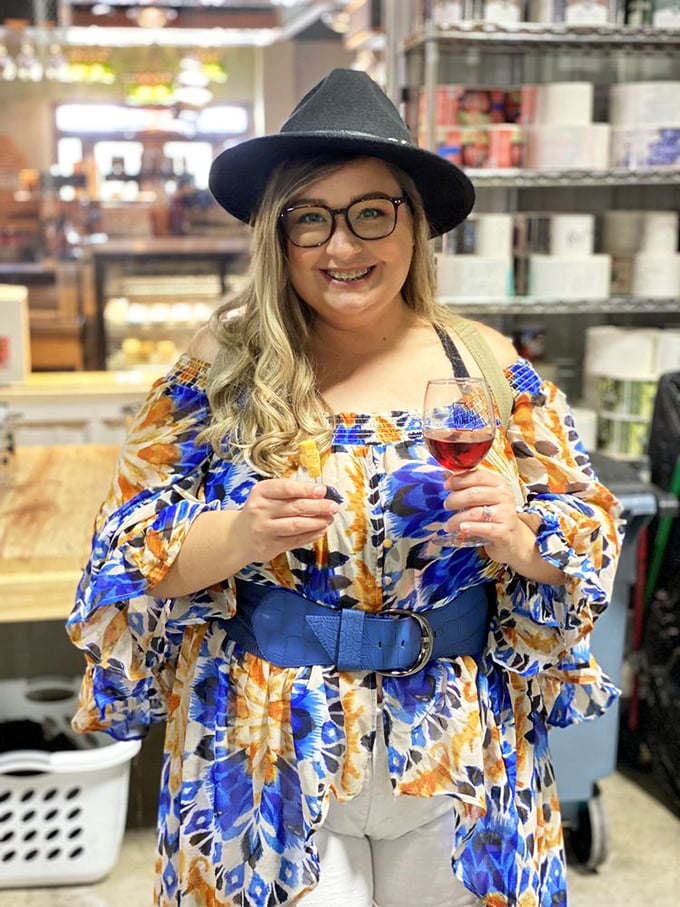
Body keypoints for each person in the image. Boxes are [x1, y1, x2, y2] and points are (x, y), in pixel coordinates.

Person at [67, 69, 624, 907]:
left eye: (371, 211)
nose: (343, 246)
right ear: (277, 236)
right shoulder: (215, 375)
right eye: (310, 218)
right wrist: (238, 534)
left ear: (414, 224)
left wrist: (523, 539)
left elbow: (591, 528)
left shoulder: (485, 367)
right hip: (264, 746)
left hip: (461, 746)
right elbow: (126, 552)